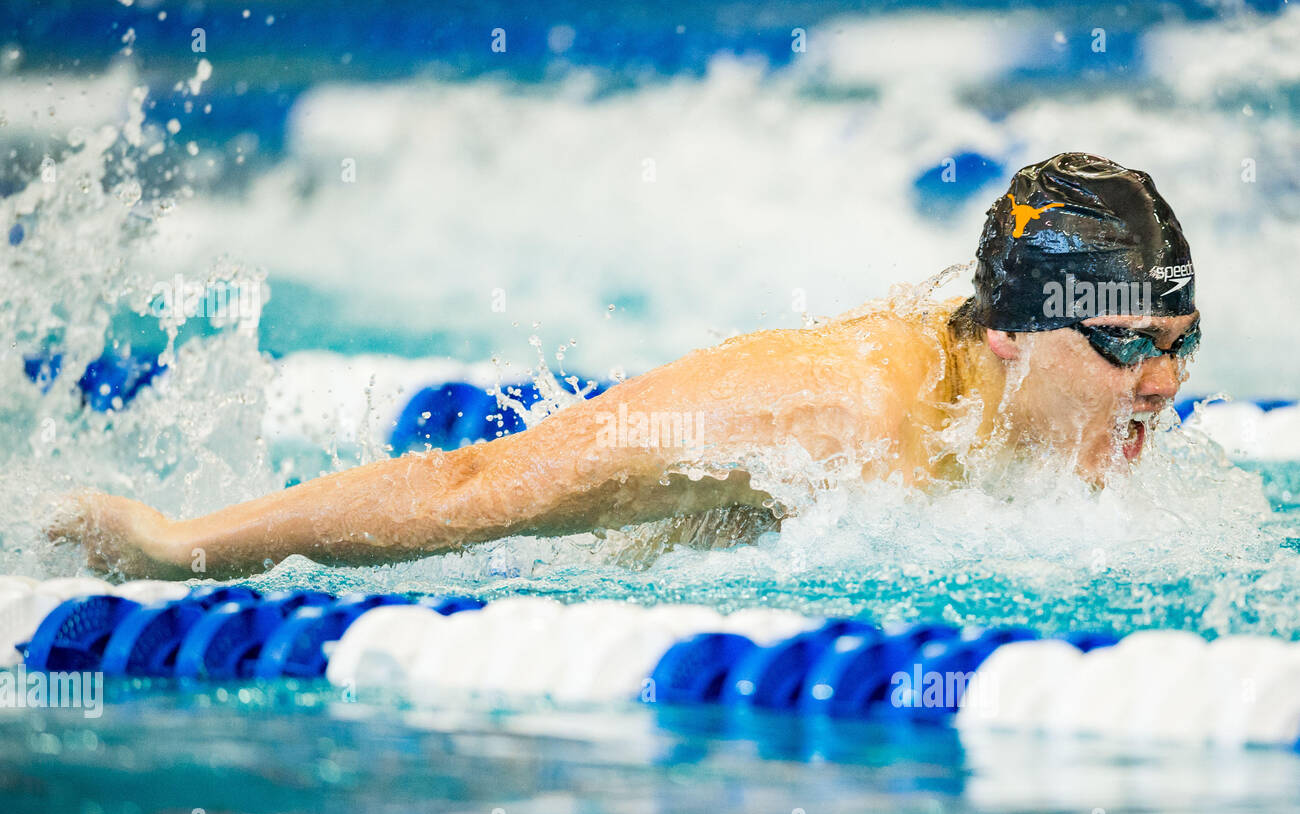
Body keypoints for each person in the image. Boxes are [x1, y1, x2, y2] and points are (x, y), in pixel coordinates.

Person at [47, 152, 1201, 580]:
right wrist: (179, 547)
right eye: (1121, 345)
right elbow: (478, 490)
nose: (1160, 385)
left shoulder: (1060, 428)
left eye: (1175, 343)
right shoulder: (825, 415)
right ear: (1008, 331)